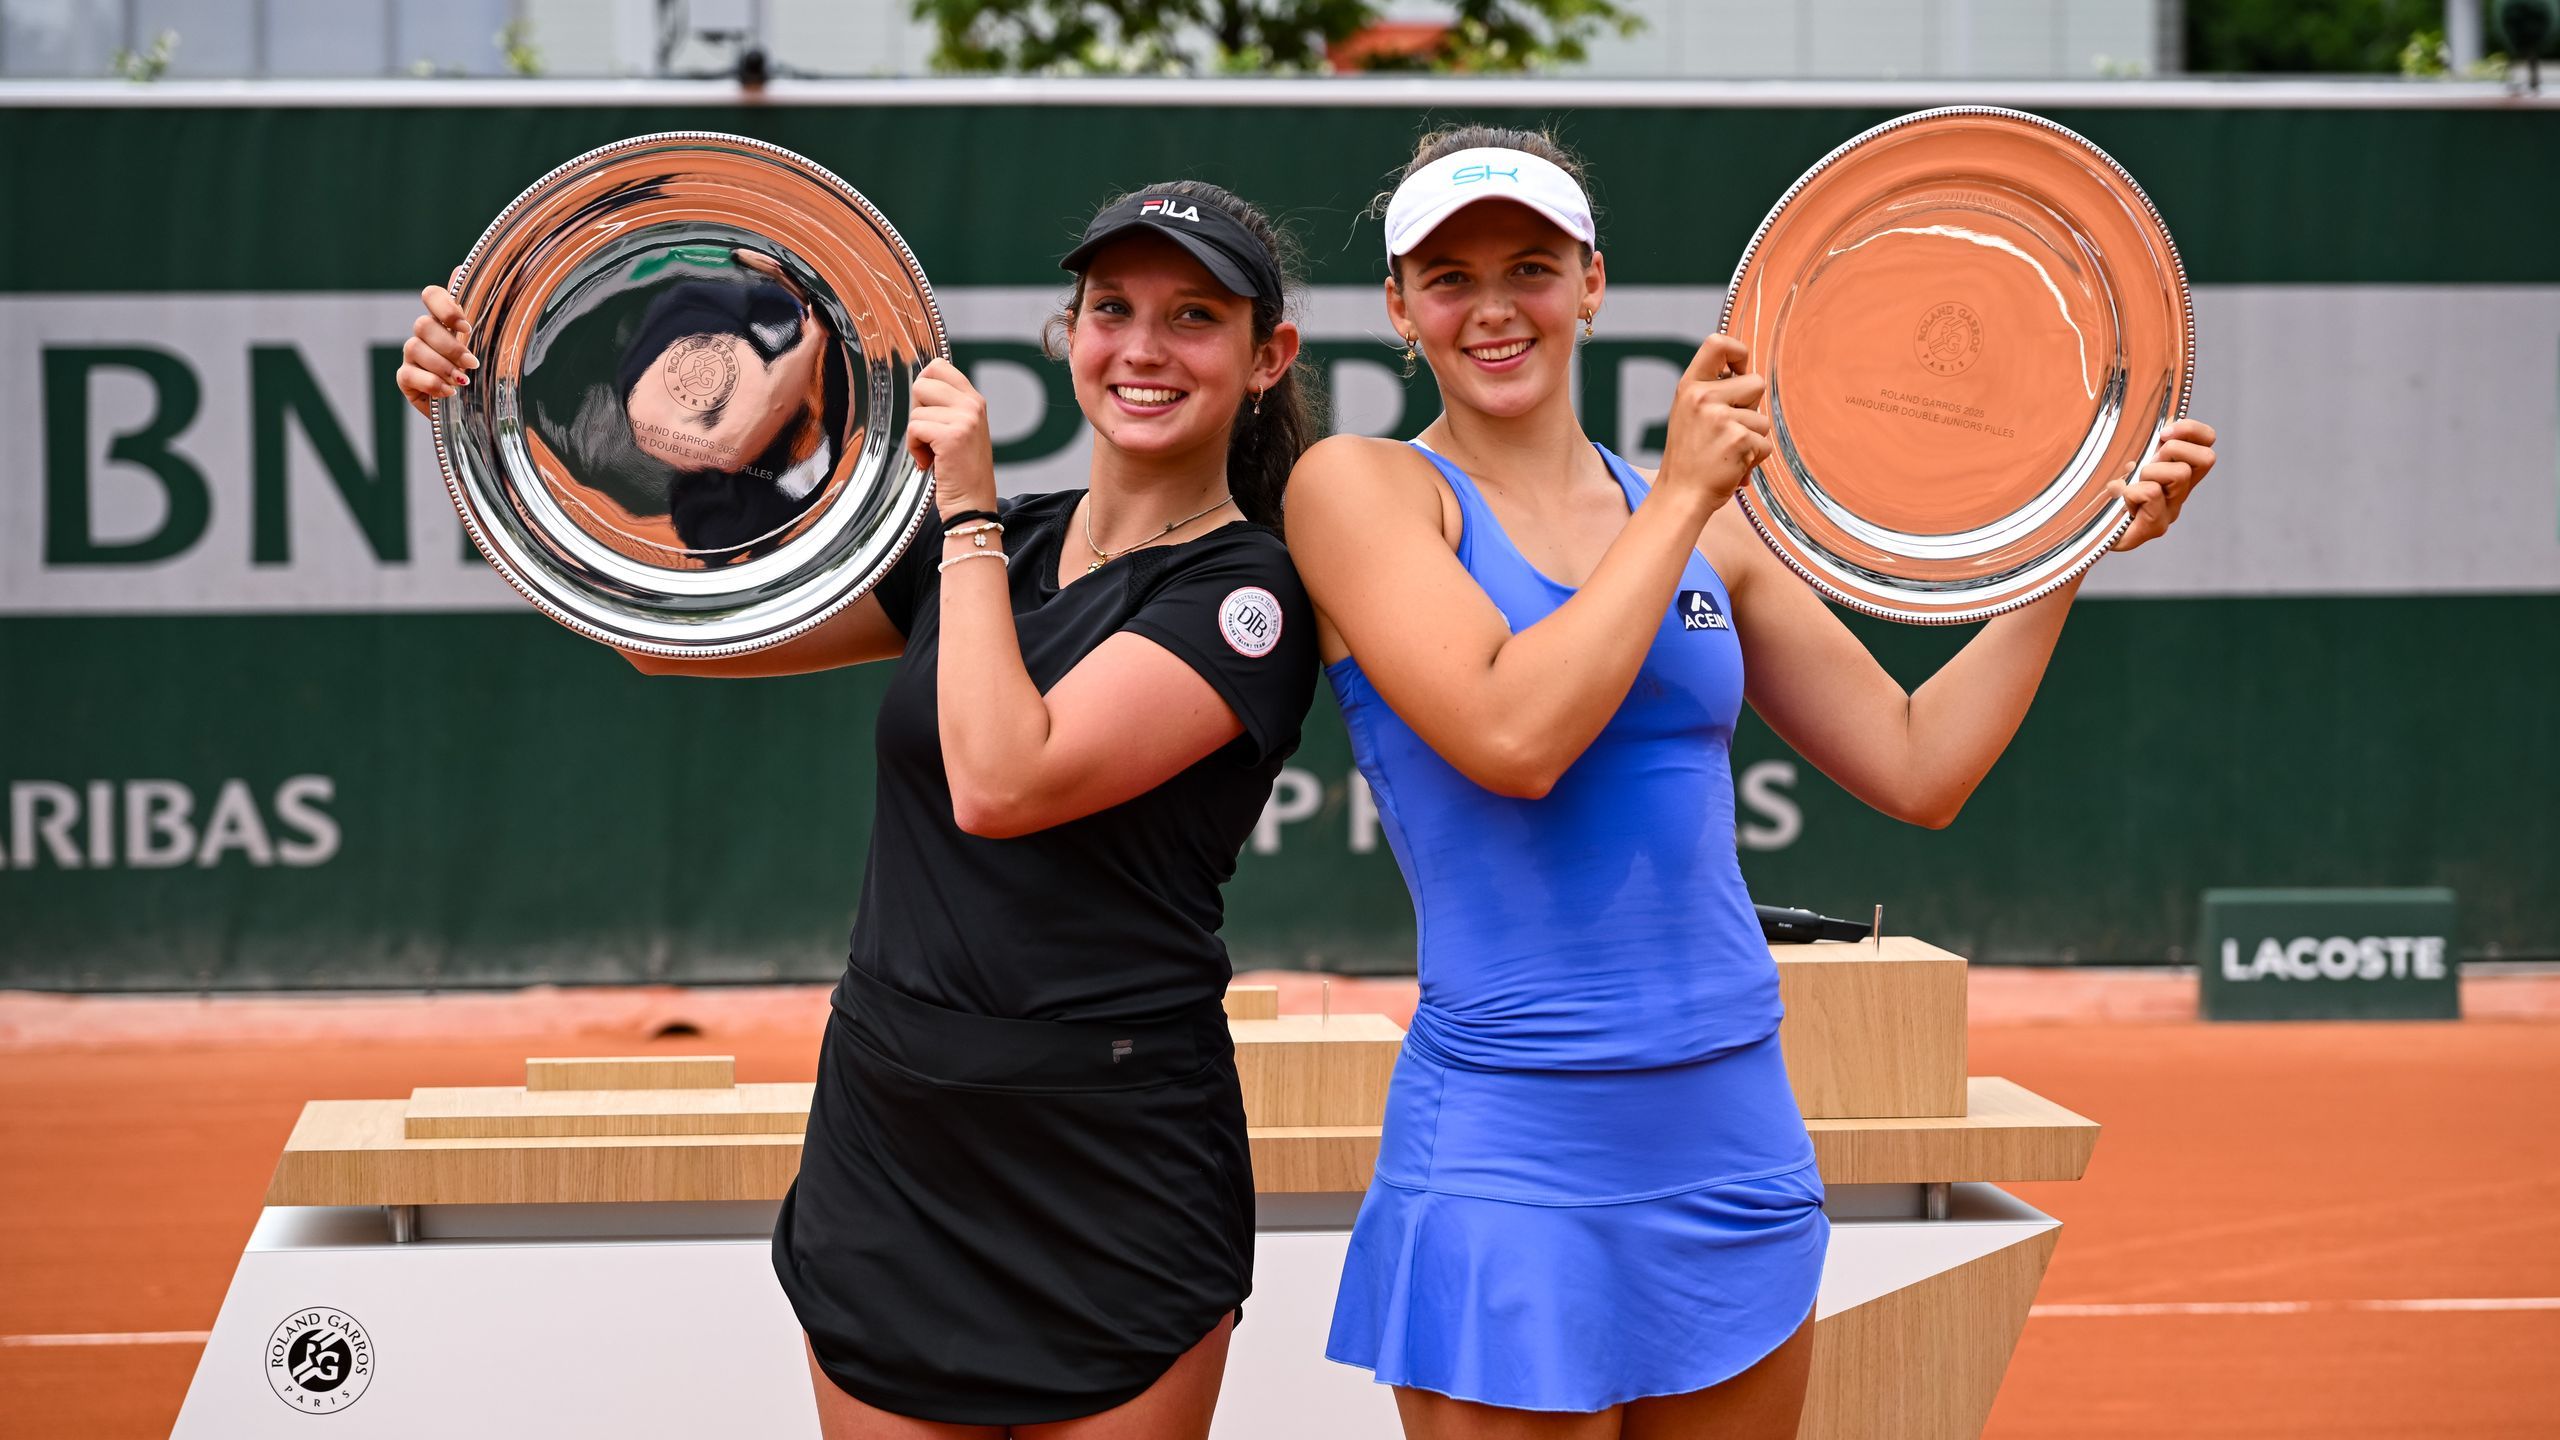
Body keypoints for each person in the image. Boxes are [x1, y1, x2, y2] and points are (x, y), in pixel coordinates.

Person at [1286, 126, 2219, 1439]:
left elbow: (1918, 765)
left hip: (1731, 1130)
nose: (1493, 308)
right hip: (1513, 1147)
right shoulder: (1365, 488)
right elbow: (1513, 737)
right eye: (1449, 277)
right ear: (1398, 307)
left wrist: (2070, 538)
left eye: (1531, 267)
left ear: (1593, 283)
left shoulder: (1719, 518)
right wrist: (1674, 501)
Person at [399, 178, 1321, 1439]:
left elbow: (1004, 782)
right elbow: (669, 639)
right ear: (1070, 334)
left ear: (1266, 357)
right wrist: (481, 416)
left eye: (1195, 316)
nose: (1142, 348)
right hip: (895, 1143)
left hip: (1113, 1169)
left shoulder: (1246, 594)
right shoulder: (1000, 542)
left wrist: (972, 513)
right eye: (1112, 308)